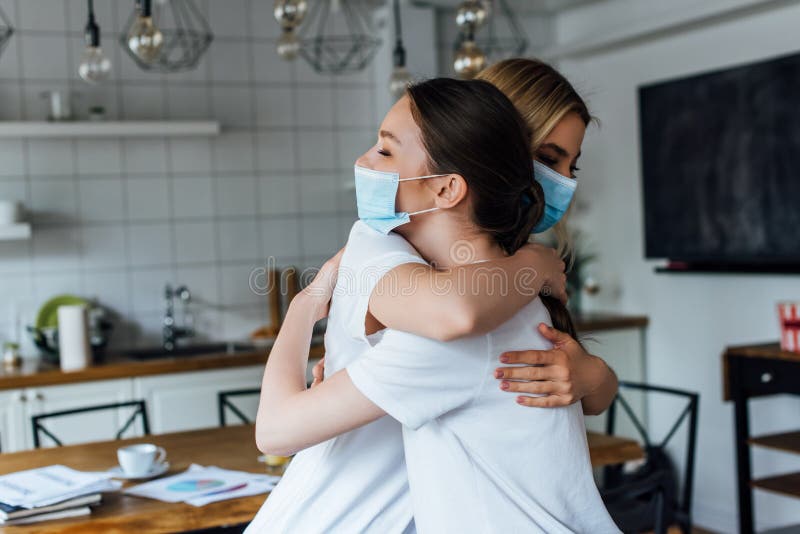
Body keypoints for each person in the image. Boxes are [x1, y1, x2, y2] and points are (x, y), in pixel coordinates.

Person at [249, 78, 619, 533]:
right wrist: (534, 265)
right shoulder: (396, 252)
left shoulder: (471, 318)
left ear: (448, 187)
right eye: (545, 159)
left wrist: (306, 306)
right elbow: (455, 309)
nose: (362, 162)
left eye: (386, 150)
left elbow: (275, 430)